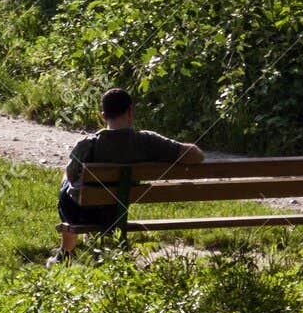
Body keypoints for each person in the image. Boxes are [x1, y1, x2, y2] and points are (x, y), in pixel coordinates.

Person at [50, 87, 204, 262]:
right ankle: (82, 247)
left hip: (82, 214)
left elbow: (71, 176)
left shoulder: (87, 144)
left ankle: (65, 254)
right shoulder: (147, 141)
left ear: (103, 116)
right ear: (130, 111)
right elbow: (196, 156)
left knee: (66, 181)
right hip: (115, 212)